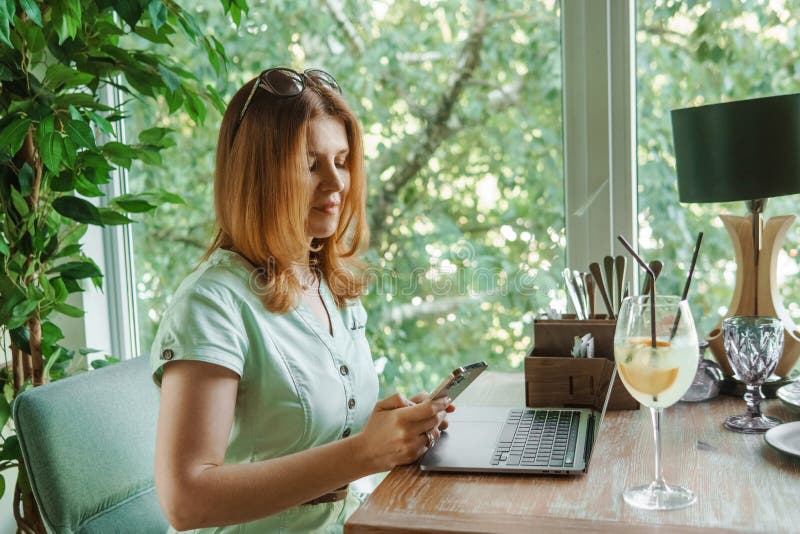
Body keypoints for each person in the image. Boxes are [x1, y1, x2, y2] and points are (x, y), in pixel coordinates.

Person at [150, 67, 453, 533]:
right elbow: (186, 500)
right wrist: (364, 452)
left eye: (342, 159)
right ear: (260, 176)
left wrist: (391, 431)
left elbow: (308, 438)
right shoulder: (210, 304)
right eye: (311, 165)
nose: (336, 183)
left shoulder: (329, 283)